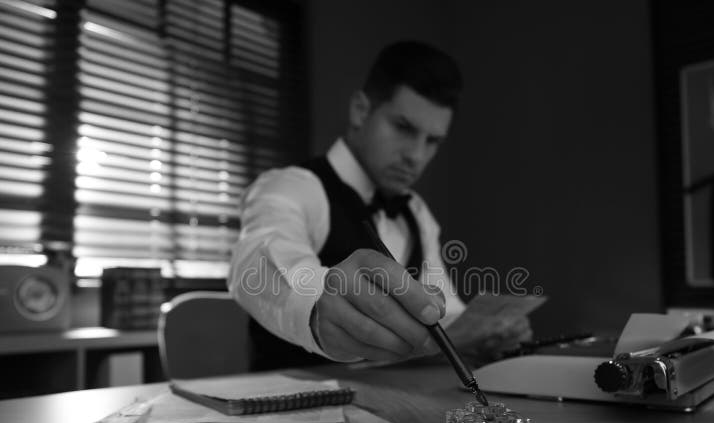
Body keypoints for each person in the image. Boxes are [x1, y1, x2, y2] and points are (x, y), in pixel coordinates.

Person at [228, 40, 532, 369]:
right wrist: (316, 303)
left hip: (391, 404)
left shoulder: (415, 211)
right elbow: (254, 263)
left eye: (432, 141)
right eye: (403, 128)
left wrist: (489, 331)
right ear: (360, 110)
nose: (416, 156)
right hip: (287, 408)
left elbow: (446, 311)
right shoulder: (290, 186)